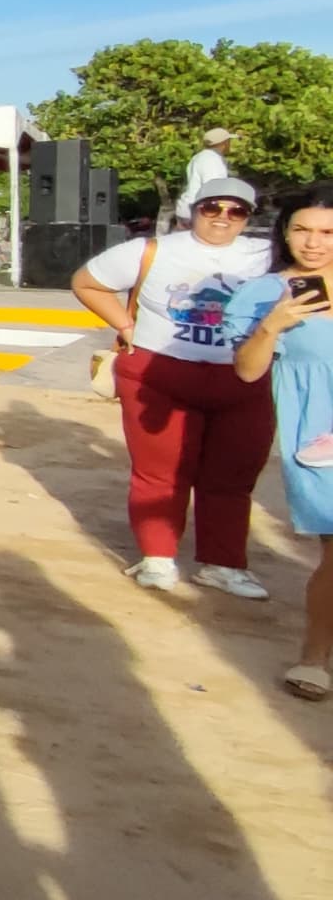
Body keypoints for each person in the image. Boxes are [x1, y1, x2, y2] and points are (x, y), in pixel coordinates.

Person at [72, 177, 276, 597]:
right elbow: (86, 282)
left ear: (248, 217)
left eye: (236, 210)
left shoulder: (266, 254)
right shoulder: (152, 249)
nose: (222, 218)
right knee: (159, 473)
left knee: (233, 476)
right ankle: (158, 558)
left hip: (240, 376)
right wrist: (124, 324)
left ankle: (223, 564)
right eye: (212, 208)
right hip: (161, 373)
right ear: (194, 209)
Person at [226, 192, 333, 700]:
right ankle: (315, 658)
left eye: (327, 232)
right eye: (302, 230)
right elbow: (248, 371)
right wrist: (272, 324)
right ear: (284, 232)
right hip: (320, 436)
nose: (313, 243)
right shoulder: (263, 293)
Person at [178, 127, 234, 225]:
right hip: (199, 213)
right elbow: (213, 188)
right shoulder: (211, 160)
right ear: (224, 143)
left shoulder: (201, 156)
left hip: (190, 210)